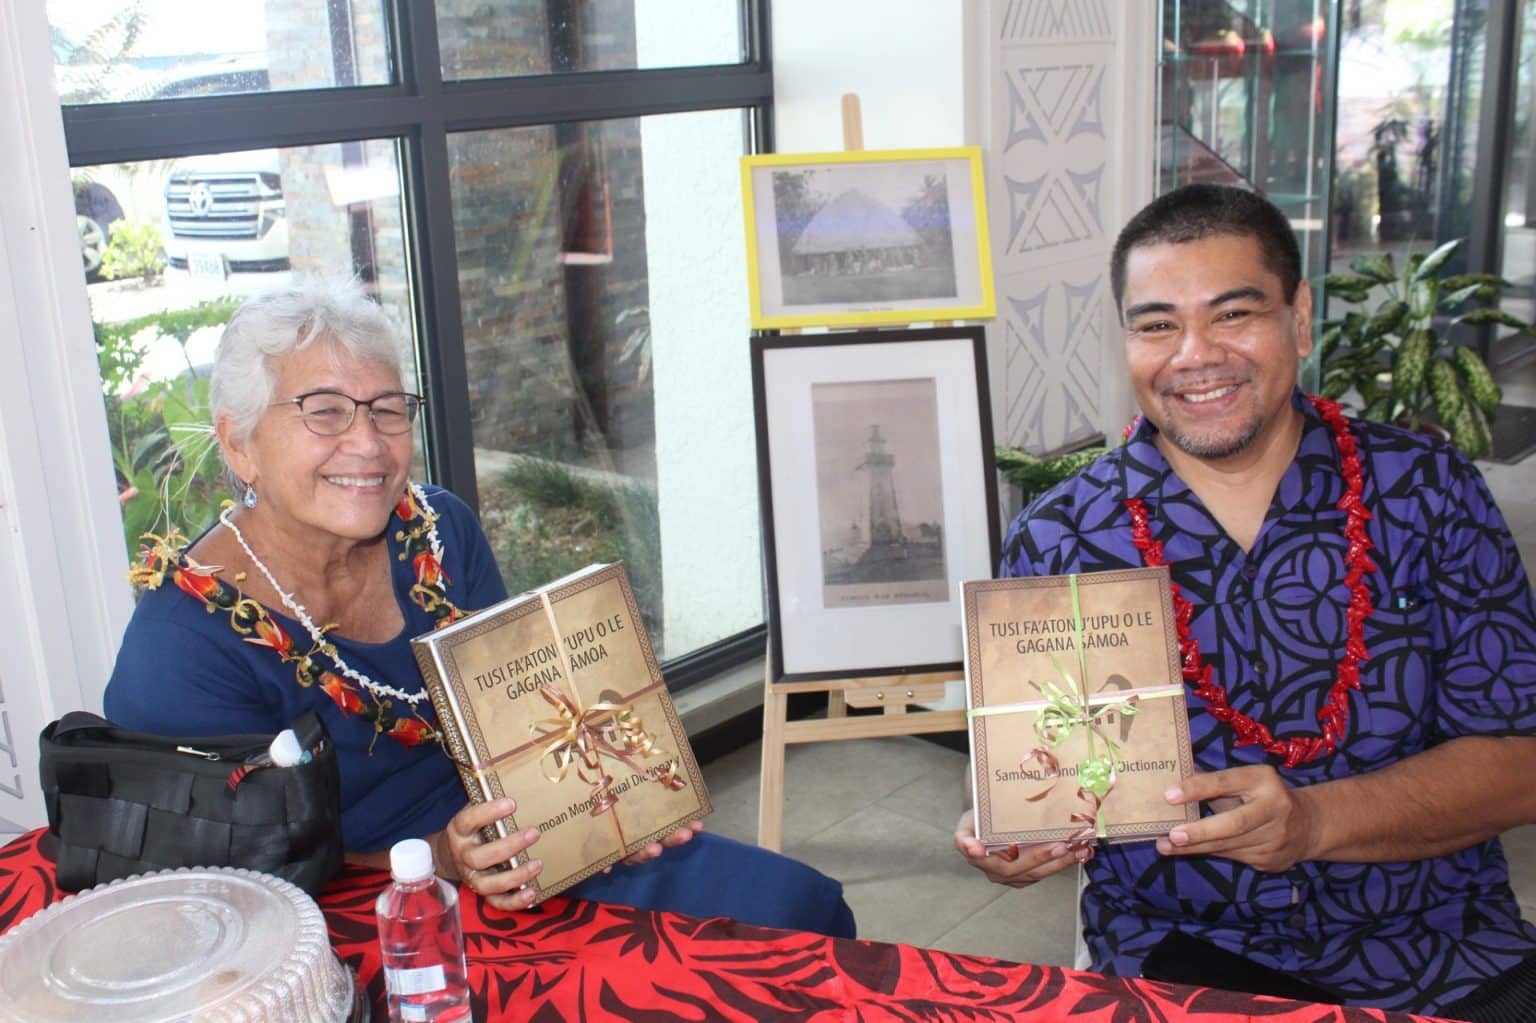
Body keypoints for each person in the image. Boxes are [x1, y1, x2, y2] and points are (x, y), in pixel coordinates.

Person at [104, 277, 855, 938]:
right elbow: (233, 888)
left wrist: (611, 801)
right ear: (239, 445)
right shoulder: (183, 644)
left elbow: (524, 720)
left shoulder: (438, 529)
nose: (368, 442)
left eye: (389, 409)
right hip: (367, 916)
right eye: (325, 411)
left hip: (526, 845)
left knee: (801, 911)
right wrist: (442, 858)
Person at [953, 183, 1536, 1017]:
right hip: (1180, 953)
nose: (1194, 354)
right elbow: (1046, 766)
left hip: (1440, 945)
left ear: (1299, 317)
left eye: (1233, 314)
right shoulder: (1060, 541)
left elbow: (1520, 765)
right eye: (1157, 324)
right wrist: (1011, 824)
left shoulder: (1429, 494)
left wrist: (1314, 820)